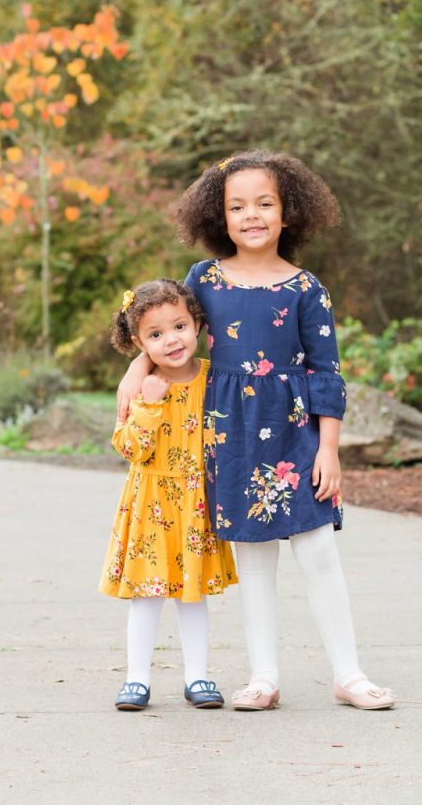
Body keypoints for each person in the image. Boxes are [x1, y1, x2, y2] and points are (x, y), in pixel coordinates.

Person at [118, 150, 396, 711]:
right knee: (254, 559)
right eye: (237, 205)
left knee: (318, 552)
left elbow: (328, 374)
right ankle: (263, 676)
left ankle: (349, 673)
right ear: (218, 217)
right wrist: (137, 365)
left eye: (264, 203)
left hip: (295, 434)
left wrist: (330, 450)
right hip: (229, 436)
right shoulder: (204, 279)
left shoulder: (306, 289)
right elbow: (166, 332)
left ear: (287, 212)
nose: (252, 215)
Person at [100, 279, 237, 711]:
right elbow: (129, 448)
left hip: (197, 505)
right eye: (155, 335)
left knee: (191, 594)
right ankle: (136, 679)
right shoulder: (141, 388)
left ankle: (197, 676)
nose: (171, 340)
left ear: (197, 323)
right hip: (152, 504)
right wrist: (149, 405)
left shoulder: (215, 378)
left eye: (179, 326)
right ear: (139, 343)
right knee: (147, 596)